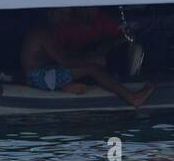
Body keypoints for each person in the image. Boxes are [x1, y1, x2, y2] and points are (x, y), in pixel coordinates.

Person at [20, 7, 154, 107]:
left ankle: (65, 86)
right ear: (50, 13)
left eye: (66, 14)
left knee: (88, 64)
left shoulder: (46, 31)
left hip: (41, 75)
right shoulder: (43, 33)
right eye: (61, 14)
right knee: (93, 69)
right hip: (40, 78)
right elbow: (64, 61)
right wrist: (92, 59)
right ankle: (133, 98)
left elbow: (60, 57)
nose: (65, 18)